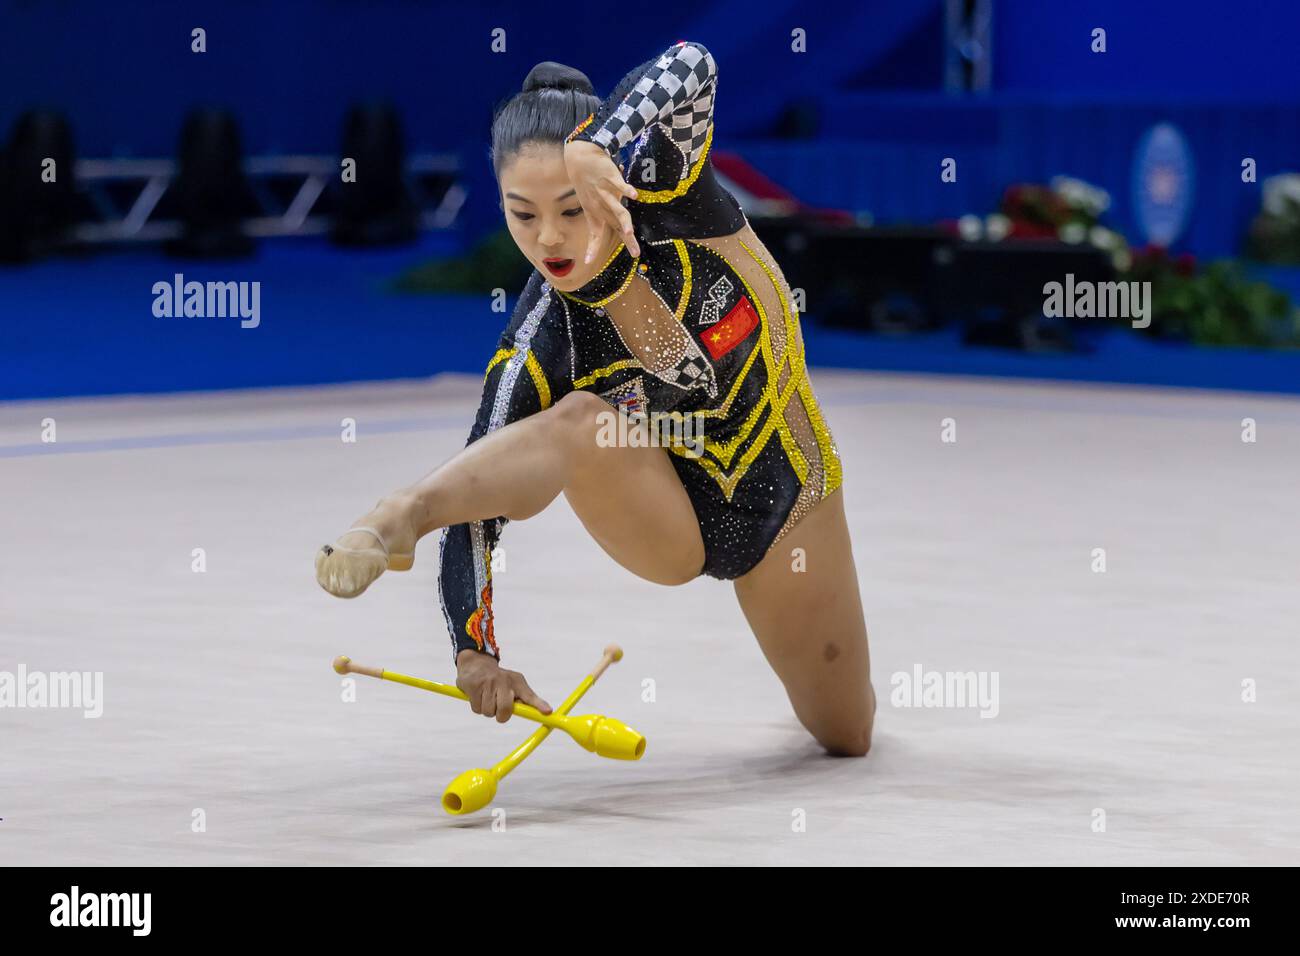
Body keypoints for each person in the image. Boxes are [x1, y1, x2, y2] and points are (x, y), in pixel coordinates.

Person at [316, 41, 876, 756]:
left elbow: (694, 64)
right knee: (579, 422)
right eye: (522, 214)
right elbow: (480, 498)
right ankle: (404, 509)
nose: (548, 238)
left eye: (572, 208)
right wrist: (474, 651)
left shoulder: (669, 194)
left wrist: (602, 143)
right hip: (665, 519)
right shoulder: (540, 342)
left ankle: (836, 707)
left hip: (786, 492)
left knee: (846, 734)